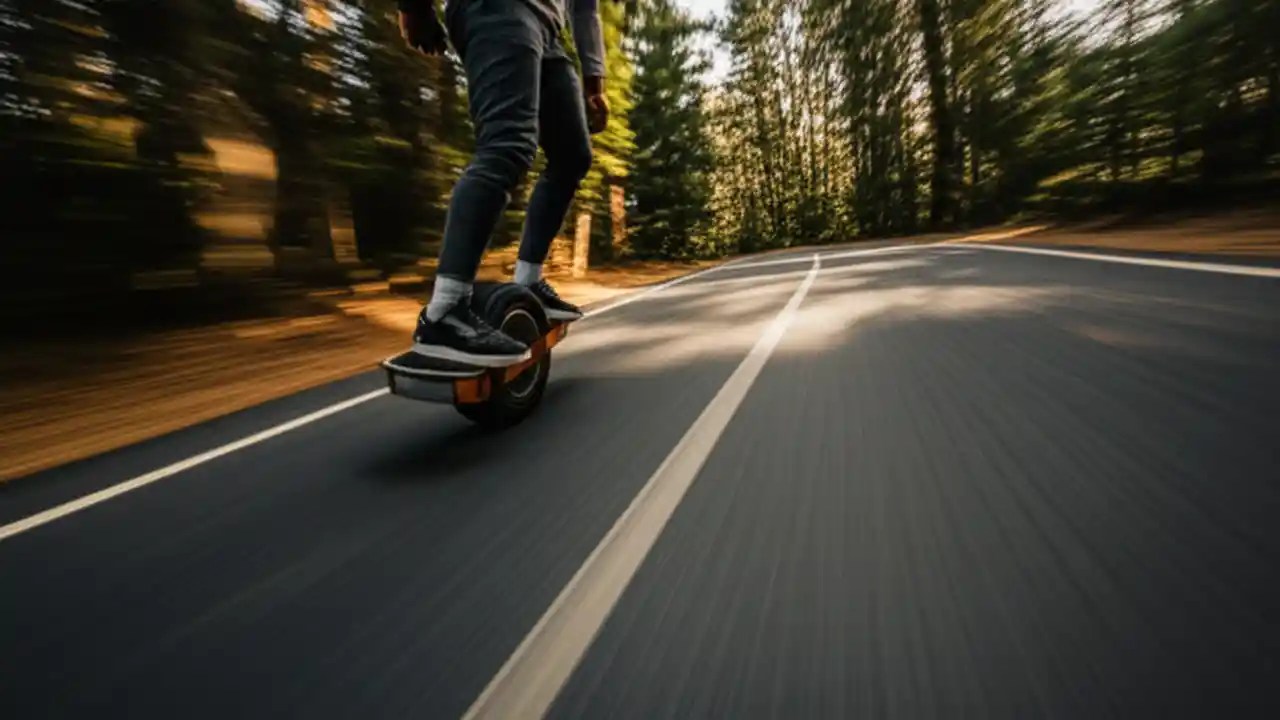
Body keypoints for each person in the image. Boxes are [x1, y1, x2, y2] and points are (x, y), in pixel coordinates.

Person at [397, 0, 609, 366]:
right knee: (507, 145)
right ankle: (443, 313)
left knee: (572, 155)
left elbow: (585, 7)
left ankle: (528, 280)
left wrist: (594, 80)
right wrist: (414, 7)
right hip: (496, 9)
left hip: (547, 30)